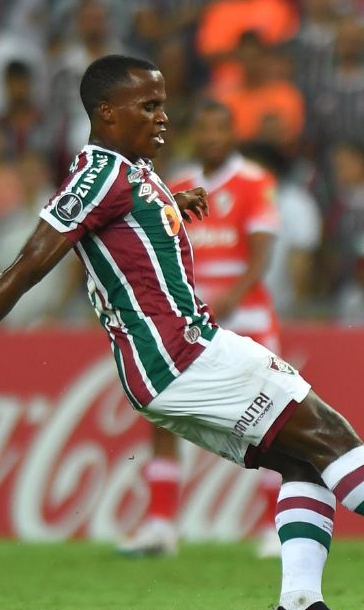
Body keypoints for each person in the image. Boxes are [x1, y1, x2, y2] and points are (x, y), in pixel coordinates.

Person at [0, 54, 364, 610]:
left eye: (163, 104)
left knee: (304, 460)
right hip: (184, 354)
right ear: (106, 113)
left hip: (164, 368)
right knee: (328, 431)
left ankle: (300, 607)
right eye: (148, 106)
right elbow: (26, 265)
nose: (163, 117)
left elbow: (126, 216)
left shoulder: (132, 169)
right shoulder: (98, 176)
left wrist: (172, 202)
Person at [116, 100, 285, 558]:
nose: (210, 137)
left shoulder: (255, 181)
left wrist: (231, 295)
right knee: (164, 414)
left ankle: (276, 527)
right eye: (203, 128)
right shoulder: (177, 185)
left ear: (233, 134)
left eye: (219, 128)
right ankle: (160, 527)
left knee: (268, 419)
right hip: (189, 320)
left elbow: (261, 256)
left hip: (246, 317)